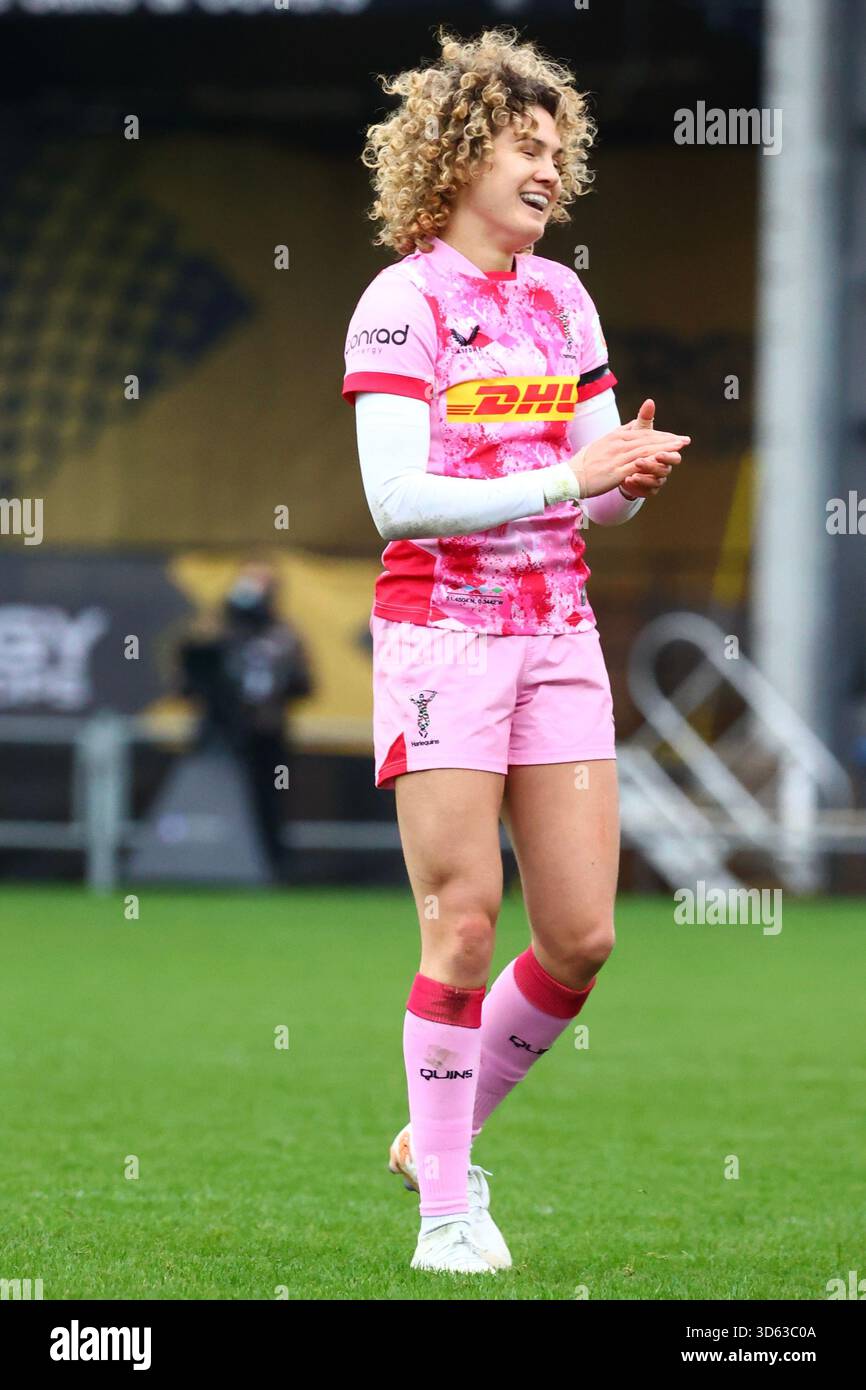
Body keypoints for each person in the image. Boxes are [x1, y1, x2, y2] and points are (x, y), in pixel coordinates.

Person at [342, 26, 691, 1275]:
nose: (547, 169)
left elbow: (586, 497)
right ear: (454, 159)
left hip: (556, 636)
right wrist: (569, 473)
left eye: (558, 150)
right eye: (521, 145)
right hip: (442, 639)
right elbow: (396, 500)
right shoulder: (400, 302)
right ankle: (449, 1206)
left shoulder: (561, 298)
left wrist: (625, 484)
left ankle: (431, 1139)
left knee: (582, 937)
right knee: (462, 926)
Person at [179, 562, 313, 880]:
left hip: (266, 734)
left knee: (267, 802)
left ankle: (271, 869)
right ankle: (201, 864)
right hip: (216, 734)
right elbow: (187, 678)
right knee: (209, 800)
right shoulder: (216, 629)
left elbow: (303, 683)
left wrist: (268, 697)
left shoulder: (284, 635)